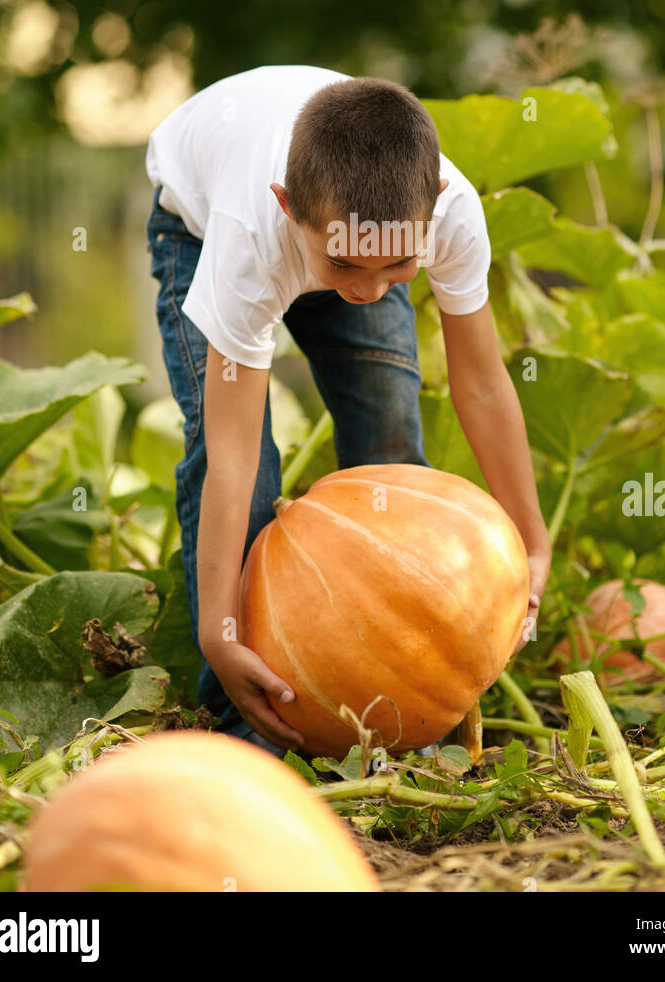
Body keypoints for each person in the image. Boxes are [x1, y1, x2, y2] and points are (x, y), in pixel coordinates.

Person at [145, 65, 552, 755]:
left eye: (397, 271)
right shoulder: (249, 237)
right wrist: (219, 633)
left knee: (390, 436)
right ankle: (247, 715)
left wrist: (534, 540)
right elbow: (234, 452)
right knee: (250, 474)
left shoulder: (440, 219)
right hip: (197, 228)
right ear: (286, 204)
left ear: (439, 205)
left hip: (340, 229)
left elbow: (480, 387)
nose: (368, 293)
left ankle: (400, 691)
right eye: (347, 271)